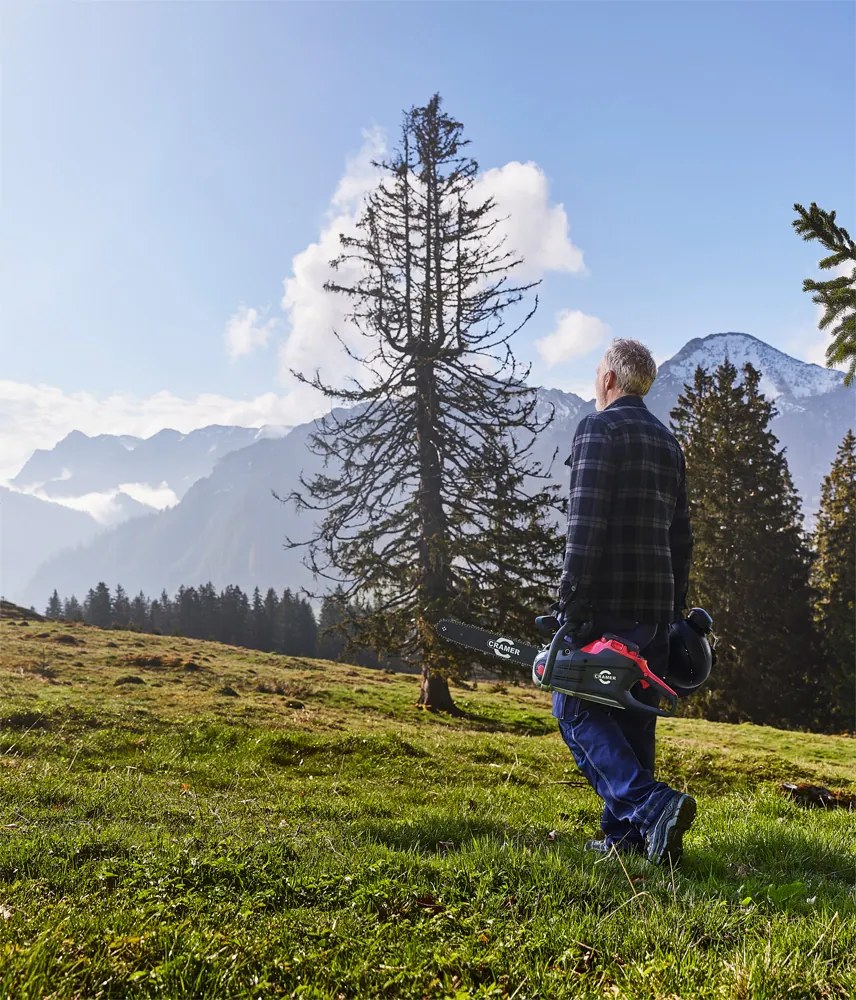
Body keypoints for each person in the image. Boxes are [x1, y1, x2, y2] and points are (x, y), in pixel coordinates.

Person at [554, 338, 695, 865]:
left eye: (596, 375)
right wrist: (675, 610)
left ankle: (650, 805)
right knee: (634, 716)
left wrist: (571, 602)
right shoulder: (667, 440)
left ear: (609, 380)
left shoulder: (598, 428)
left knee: (573, 708)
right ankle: (628, 841)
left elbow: (584, 523)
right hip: (655, 611)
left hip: (606, 605)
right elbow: (682, 537)